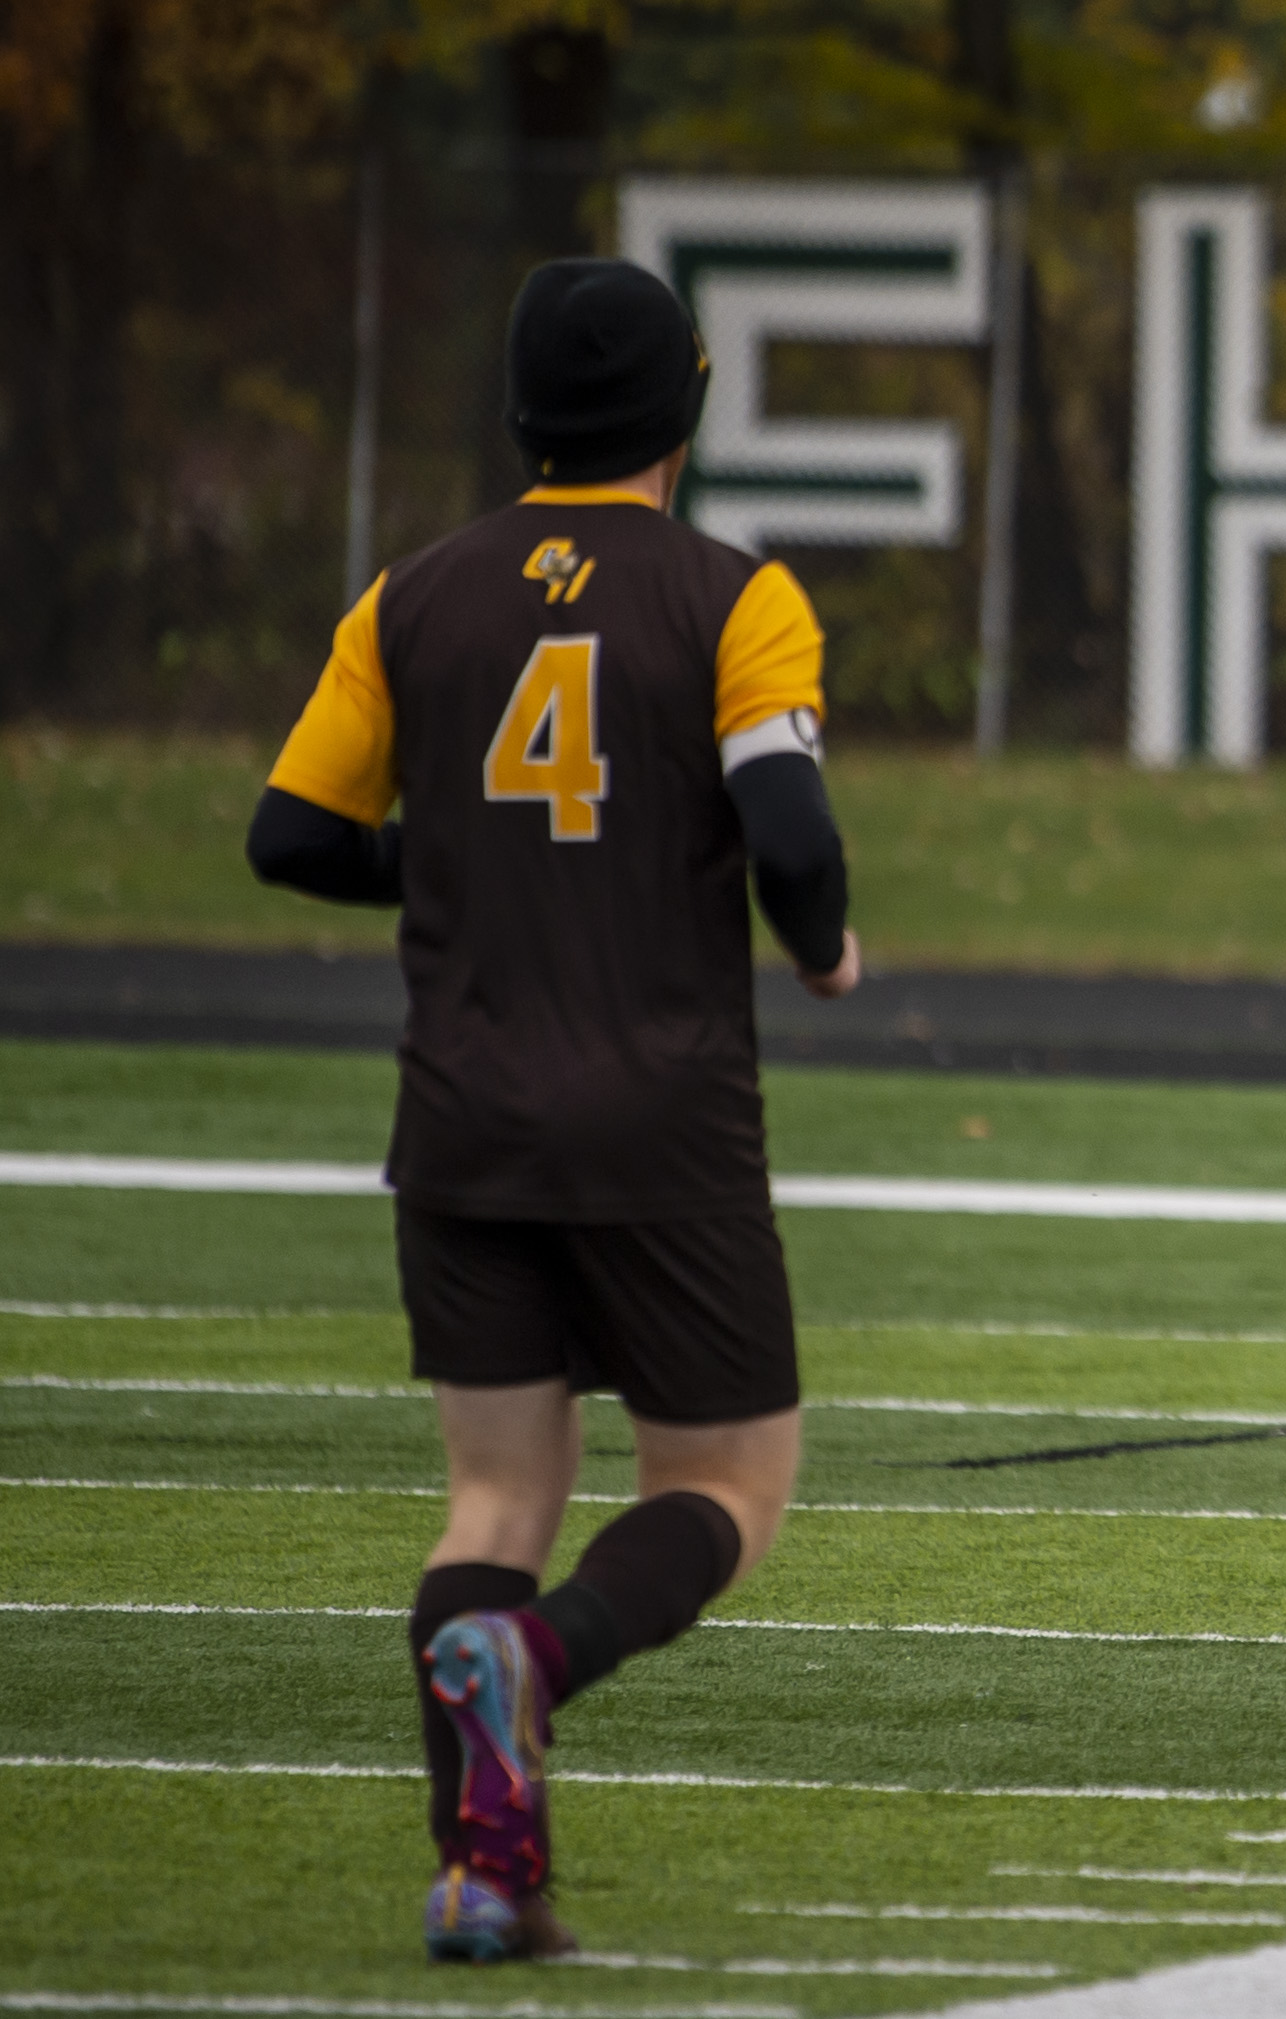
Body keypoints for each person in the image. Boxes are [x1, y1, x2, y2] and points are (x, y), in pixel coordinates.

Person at [247, 257, 862, 1958]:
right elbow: (791, 831)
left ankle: (483, 1875)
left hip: (461, 1118)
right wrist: (818, 948)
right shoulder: (736, 599)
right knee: (730, 1481)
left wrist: (450, 863)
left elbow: (290, 836)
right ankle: (544, 1659)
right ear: (690, 403)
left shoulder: (412, 596)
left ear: (520, 411)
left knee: (494, 1505)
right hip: (658, 1115)